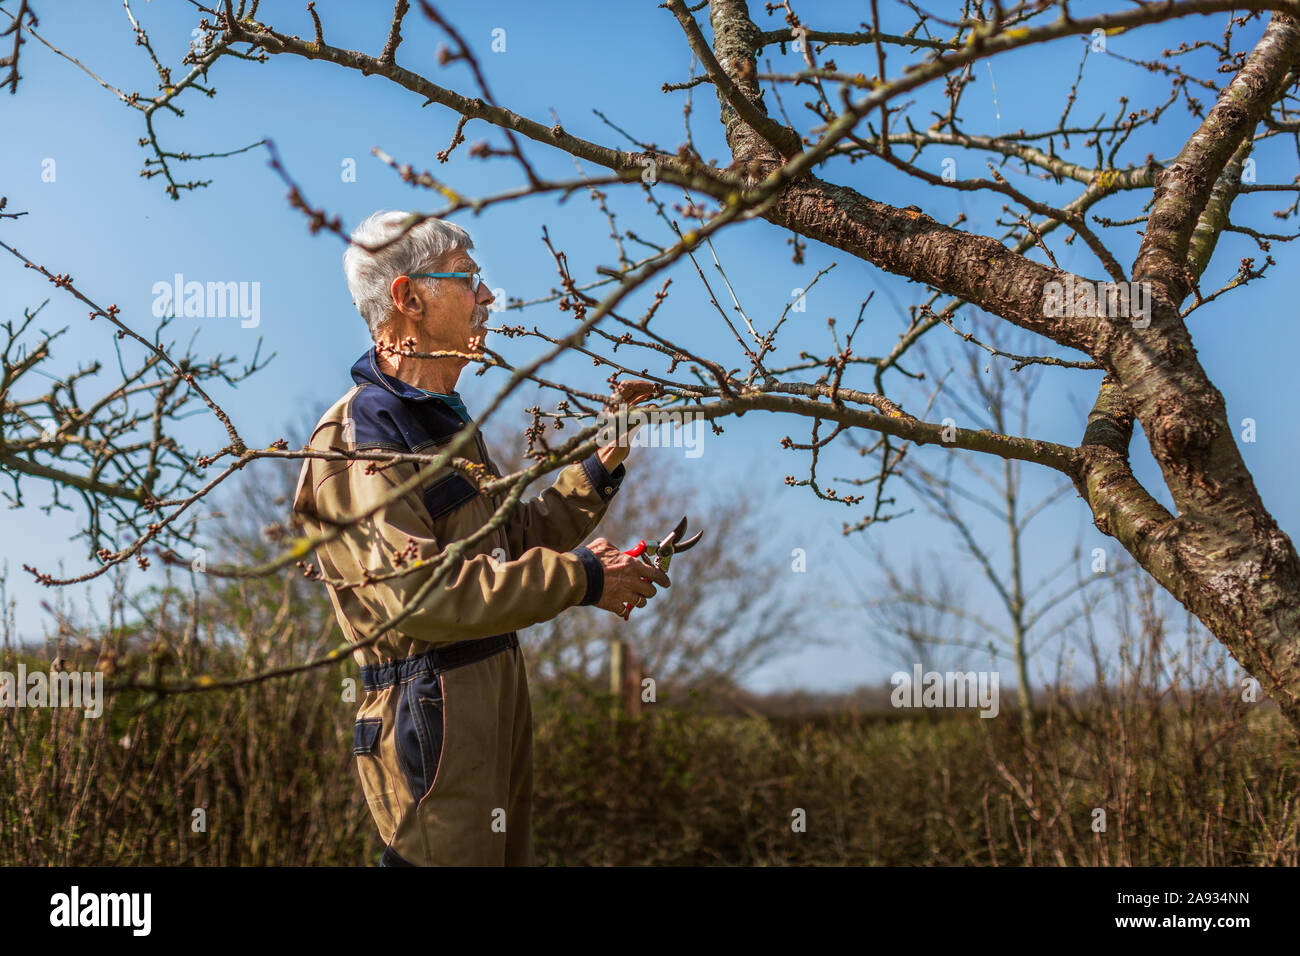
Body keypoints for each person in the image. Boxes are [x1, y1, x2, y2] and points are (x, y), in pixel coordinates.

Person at [292, 210, 668, 866]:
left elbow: (508, 542)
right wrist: (583, 577)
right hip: (430, 716)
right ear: (408, 298)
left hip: (488, 700)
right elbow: (424, 594)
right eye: (468, 280)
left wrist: (605, 457)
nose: (488, 298)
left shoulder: (447, 429)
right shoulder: (365, 435)